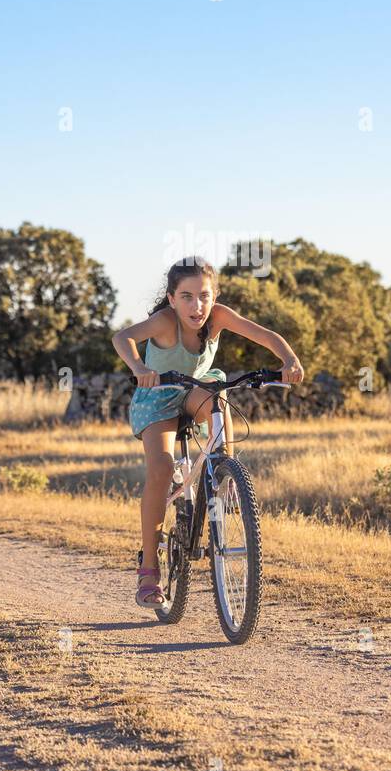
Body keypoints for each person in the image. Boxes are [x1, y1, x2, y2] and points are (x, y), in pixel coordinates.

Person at [111, 256, 304, 607]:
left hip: (195, 389)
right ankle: (149, 572)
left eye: (204, 295)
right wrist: (139, 367)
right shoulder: (165, 322)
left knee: (219, 395)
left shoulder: (219, 317)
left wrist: (288, 359)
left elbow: (264, 335)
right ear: (172, 299)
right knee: (161, 469)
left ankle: (224, 475)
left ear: (214, 296)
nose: (196, 305)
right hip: (157, 397)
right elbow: (122, 337)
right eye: (186, 296)